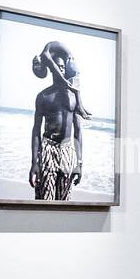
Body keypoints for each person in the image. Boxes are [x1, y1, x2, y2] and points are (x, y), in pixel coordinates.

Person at [29, 41, 89, 201]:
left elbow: (78, 132)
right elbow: (36, 130)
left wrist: (80, 163)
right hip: (48, 147)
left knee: (63, 201)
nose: (60, 70)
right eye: (57, 67)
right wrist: (34, 163)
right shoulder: (43, 96)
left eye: (63, 67)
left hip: (68, 150)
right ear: (51, 69)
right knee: (44, 200)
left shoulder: (73, 96)